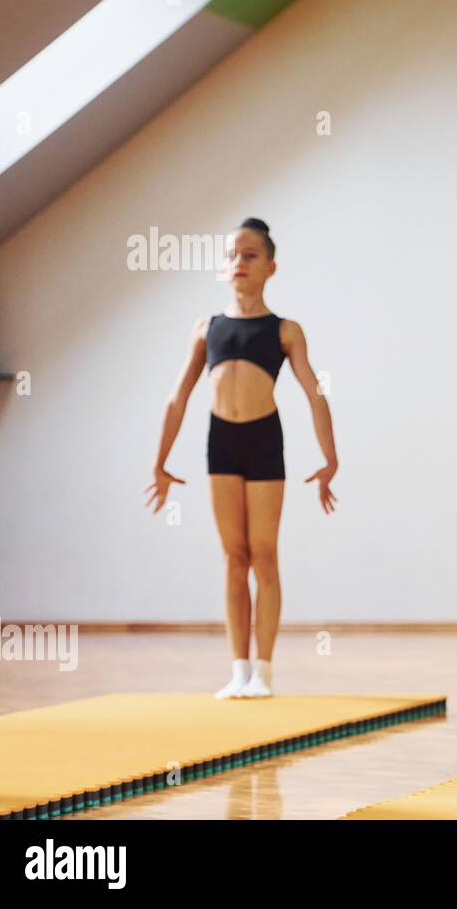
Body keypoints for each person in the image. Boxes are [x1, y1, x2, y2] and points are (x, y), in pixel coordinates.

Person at [144, 217, 339, 699]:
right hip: (222, 442)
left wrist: (330, 459)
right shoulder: (207, 327)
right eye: (232, 255)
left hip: (264, 440)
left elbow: (315, 395)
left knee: (264, 555)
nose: (239, 263)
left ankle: (265, 672)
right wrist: (160, 461)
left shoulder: (285, 329)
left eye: (250, 255)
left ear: (271, 267)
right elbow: (178, 396)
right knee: (234, 558)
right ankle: (238, 670)